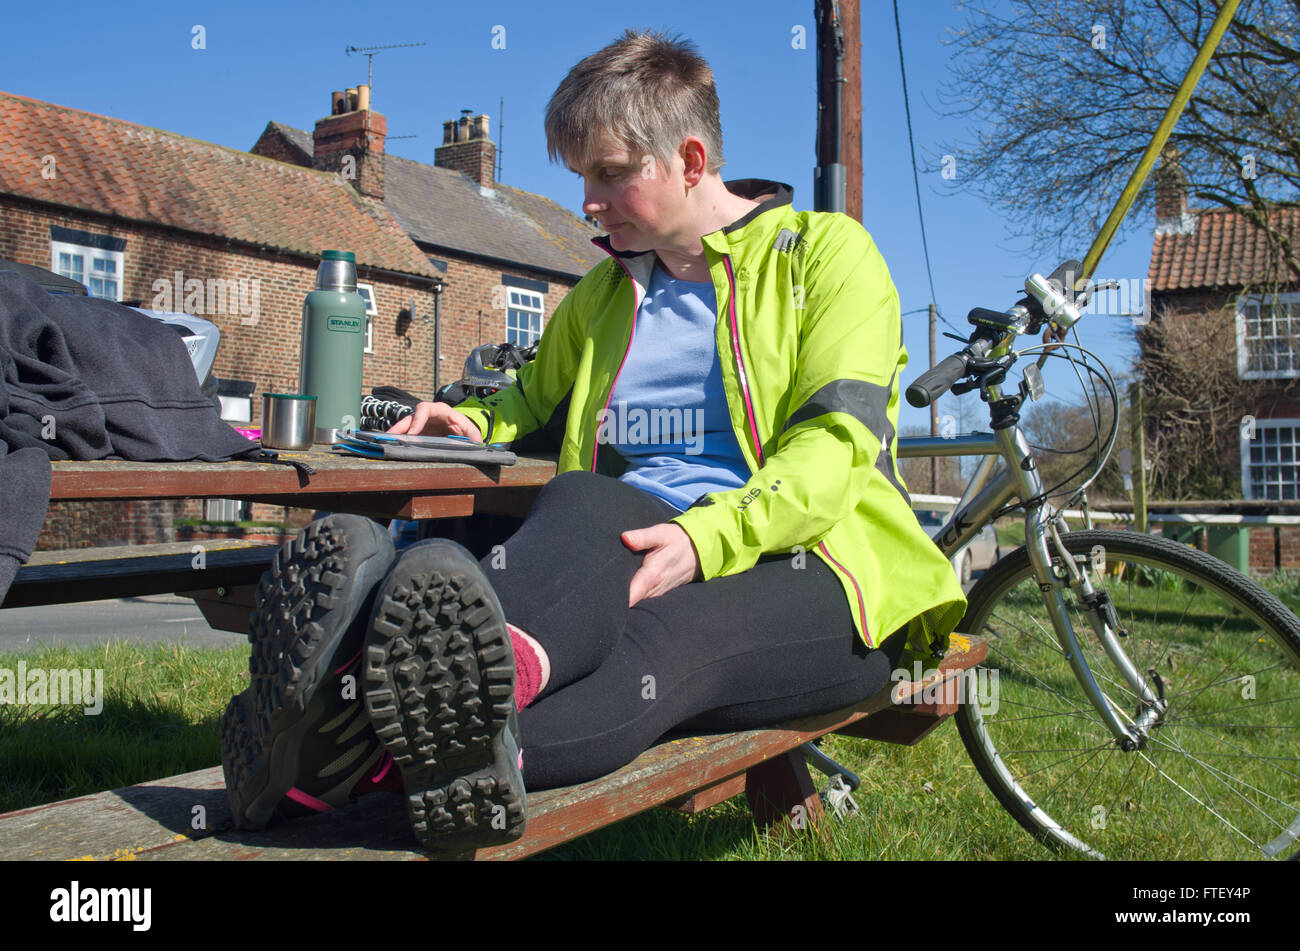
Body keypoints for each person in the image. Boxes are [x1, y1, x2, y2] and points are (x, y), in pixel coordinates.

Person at [220, 29, 967, 854]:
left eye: (610, 173)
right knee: (579, 499)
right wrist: (468, 418)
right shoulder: (607, 294)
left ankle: (347, 743)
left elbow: (834, 448)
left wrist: (704, 537)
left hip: (826, 567)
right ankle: (448, 718)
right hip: (646, 536)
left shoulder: (825, 257)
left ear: (689, 159)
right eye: (581, 177)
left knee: (666, 643)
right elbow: (529, 398)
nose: (589, 202)